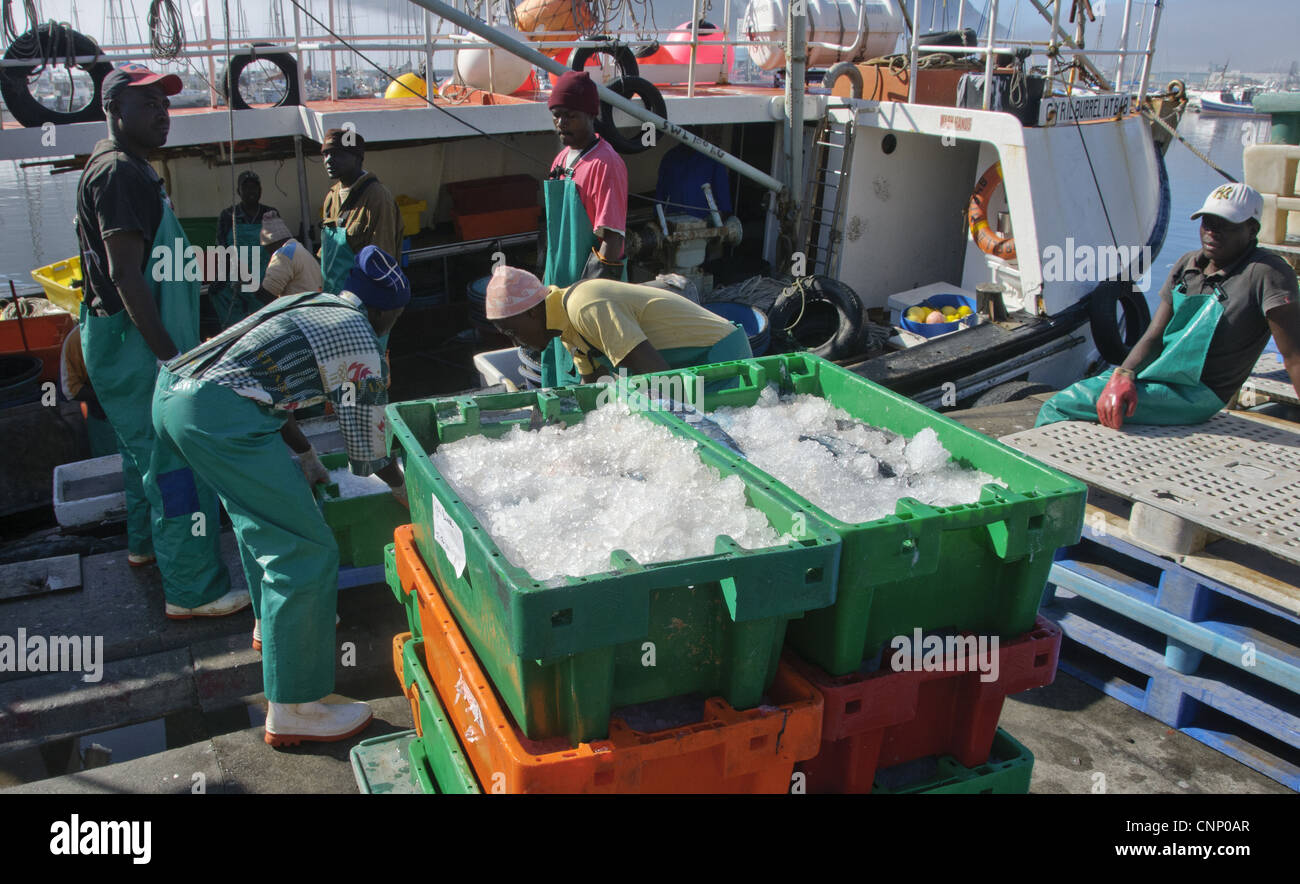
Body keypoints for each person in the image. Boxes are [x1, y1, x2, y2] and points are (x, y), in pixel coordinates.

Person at [152, 246, 410, 747]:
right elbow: (369, 453)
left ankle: (270, 629)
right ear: (389, 312)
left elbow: (264, 386)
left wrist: (307, 454)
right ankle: (295, 706)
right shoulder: (362, 338)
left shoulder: (311, 303)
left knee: (263, 520)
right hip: (217, 415)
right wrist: (405, 491)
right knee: (307, 550)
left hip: (175, 393)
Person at [75, 62, 244, 616]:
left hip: (123, 341)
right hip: (136, 346)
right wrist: (171, 358)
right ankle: (194, 590)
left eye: (165, 104)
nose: (162, 115)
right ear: (114, 110)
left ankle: (146, 548)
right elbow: (126, 275)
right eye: (147, 105)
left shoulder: (132, 168)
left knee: (137, 453)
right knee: (174, 459)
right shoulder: (119, 174)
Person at [1037, 183, 1300, 428]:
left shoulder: (1267, 273)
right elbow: (1154, 336)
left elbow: (1293, 356)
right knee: (1092, 394)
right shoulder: (1189, 264)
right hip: (1159, 376)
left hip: (1197, 394)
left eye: (1226, 225)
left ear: (1252, 230)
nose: (1212, 232)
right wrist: (1124, 375)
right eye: (1208, 222)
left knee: (1060, 406)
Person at [487, 265, 751, 383]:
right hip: (685, 371)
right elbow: (594, 387)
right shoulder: (568, 333)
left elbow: (655, 373)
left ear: (532, 313)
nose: (515, 341)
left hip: (722, 358)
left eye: (512, 331)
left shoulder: (584, 305)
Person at [540, 70, 630, 386]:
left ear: (591, 115)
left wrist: (589, 306)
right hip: (558, 282)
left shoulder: (605, 164)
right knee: (558, 369)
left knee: (596, 376)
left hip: (588, 289)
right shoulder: (562, 160)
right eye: (557, 116)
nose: (562, 123)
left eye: (571, 116)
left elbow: (613, 241)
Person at [319, 128, 403, 298]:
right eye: (325, 154)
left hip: (362, 299)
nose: (328, 160)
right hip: (333, 295)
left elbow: (382, 259)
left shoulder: (377, 197)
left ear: (357, 158)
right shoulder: (332, 196)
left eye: (336, 154)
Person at [211, 170, 278, 328]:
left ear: (260, 190)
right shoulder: (228, 215)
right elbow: (222, 247)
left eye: (254, 187)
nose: (251, 191)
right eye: (246, 187)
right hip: (236, 277)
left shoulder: (270, 213)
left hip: (264, 275)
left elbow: (280, 246)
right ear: (238, 191)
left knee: (266, 324)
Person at [254, 214, 323, 302]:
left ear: (273, 244)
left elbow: (268, 295)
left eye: (268, 249)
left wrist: (248, 279)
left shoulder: (283, 254)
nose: (269, 254)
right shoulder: (301, 250)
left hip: (298, 311)